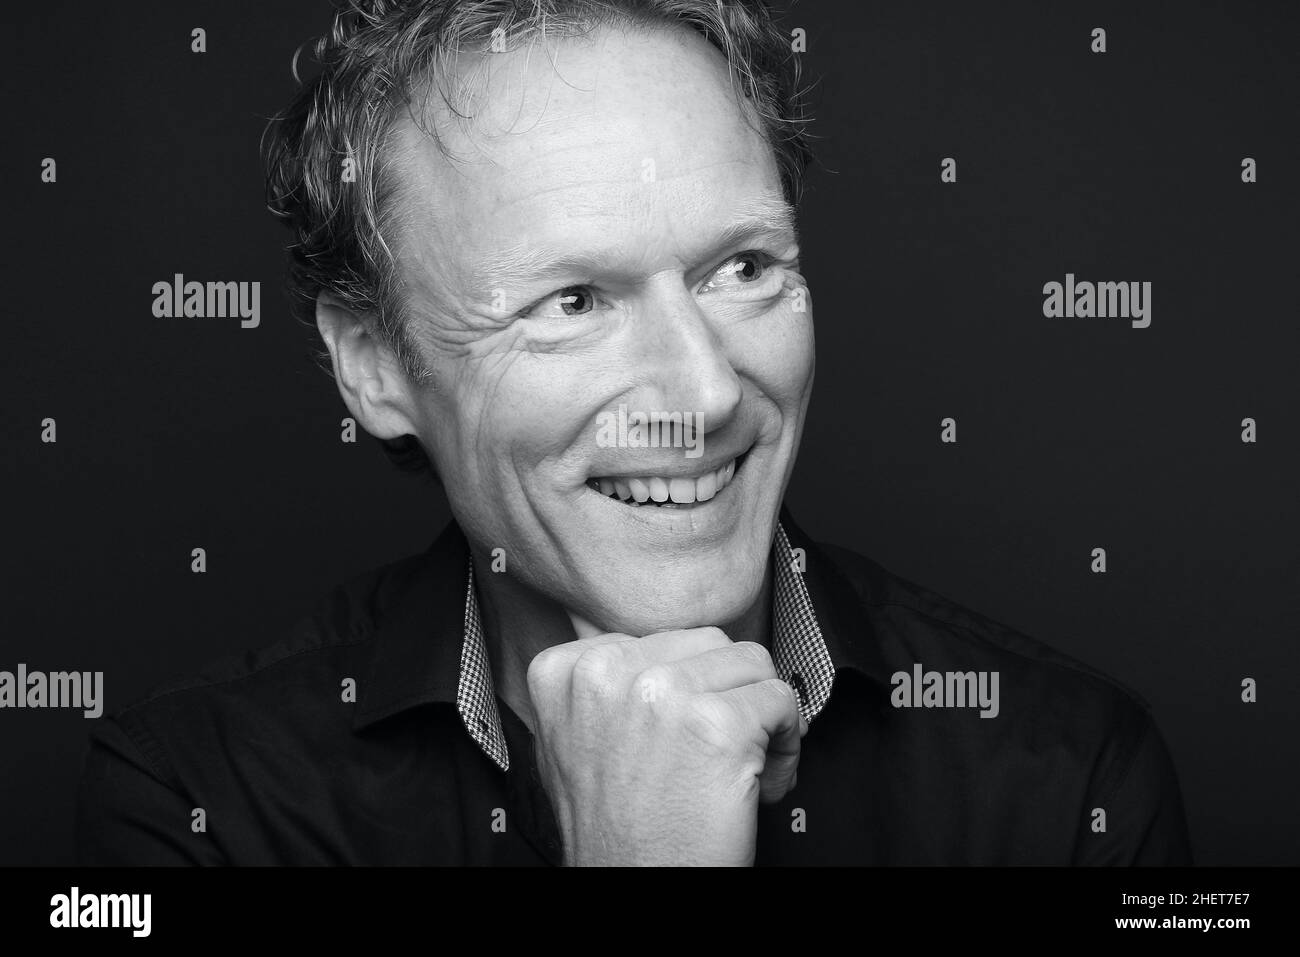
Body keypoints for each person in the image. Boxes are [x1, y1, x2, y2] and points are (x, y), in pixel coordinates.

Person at [75, 0, 1192, 866]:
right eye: (573, 303)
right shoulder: (200, 806)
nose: (703, 393)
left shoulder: (1067, 776)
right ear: (375, 366)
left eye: (742, 268)